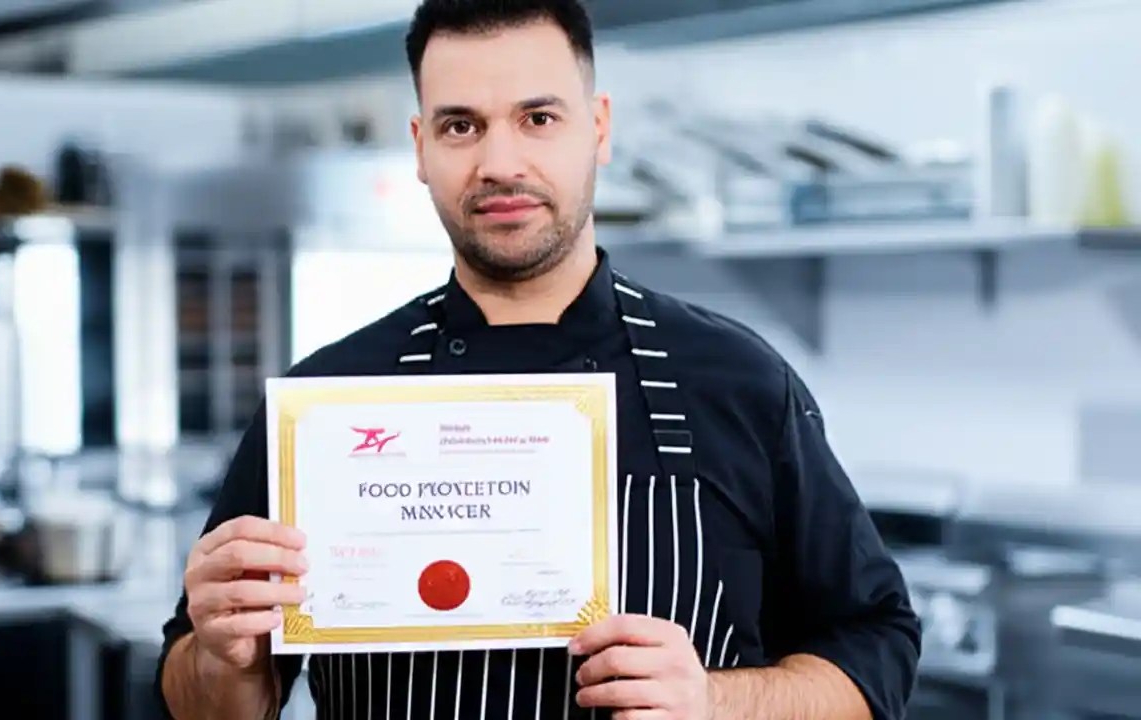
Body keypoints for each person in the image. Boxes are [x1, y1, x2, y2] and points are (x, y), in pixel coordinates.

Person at [155, 0, 922, 717]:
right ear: (422, 148)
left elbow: (876, 643)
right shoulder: (325, 402)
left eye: (538, 117)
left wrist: (715, 702)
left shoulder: (738, 382)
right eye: (461, 126)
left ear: (597, 127)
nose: (500, 161)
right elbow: (204, 698)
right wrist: (226, 658)